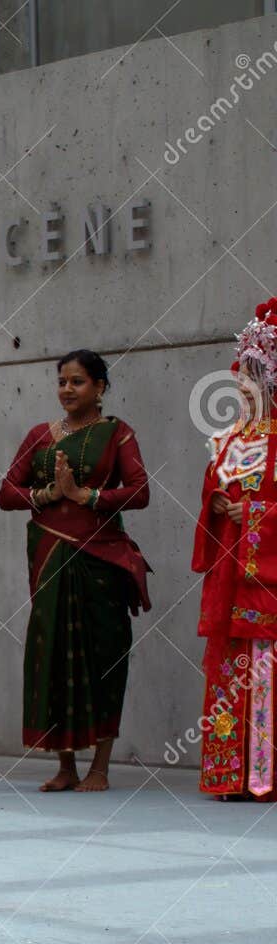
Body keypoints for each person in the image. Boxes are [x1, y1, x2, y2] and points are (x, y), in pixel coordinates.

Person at [0, 349, 151, 793]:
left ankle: (100, 767)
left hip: (99, 557)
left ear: (100, 387)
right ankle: (65, 765)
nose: (67, 389)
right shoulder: (39, 436)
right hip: (49, 555)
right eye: (62, 381)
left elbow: (140, 491)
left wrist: (87, 497)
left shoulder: (117, 434)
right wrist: (48, 493)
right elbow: (7, 492)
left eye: (78, 381)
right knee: (53, 651)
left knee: (103, 652)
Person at [194, 298, 277, 802]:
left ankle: (263, 773)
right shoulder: (228, 439)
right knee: (229, 666)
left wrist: (258, 516)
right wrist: (217, 500)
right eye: (240, 373)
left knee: (266, 668)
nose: (242, 385)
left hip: (265, 577)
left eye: (252, 374)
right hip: (231, 573)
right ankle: (231, 774)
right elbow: (213, 493)